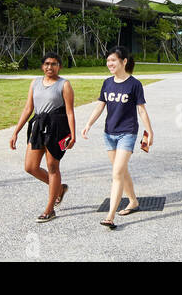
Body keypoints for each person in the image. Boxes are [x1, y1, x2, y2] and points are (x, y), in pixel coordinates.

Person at [82, 47, 153, 228]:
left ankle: (110, 216)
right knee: (121, 171)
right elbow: (100, 106)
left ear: (124, 62)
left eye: (113, 60)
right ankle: (133, 201)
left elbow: (141, 110)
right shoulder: (107, 83)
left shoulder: (134, 84)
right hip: (109, 134)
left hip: (127, 133)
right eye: (108, 61)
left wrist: (149, 131)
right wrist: (88, 124)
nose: (109, 64)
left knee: (116, 174)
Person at [10, 52, 76, 222]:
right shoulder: (35, 83)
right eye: (47, 63)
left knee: (53, 166)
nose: (50, 67)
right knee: (30, 167)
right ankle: (59, 189)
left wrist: (73, 134)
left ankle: (49, 209)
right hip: (38, 126)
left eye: (54, 64)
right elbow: (28, 108)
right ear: (42, 66)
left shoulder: (64, 84)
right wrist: (16, 131)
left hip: (57, 127)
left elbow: (69, 111)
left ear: (59, 66)